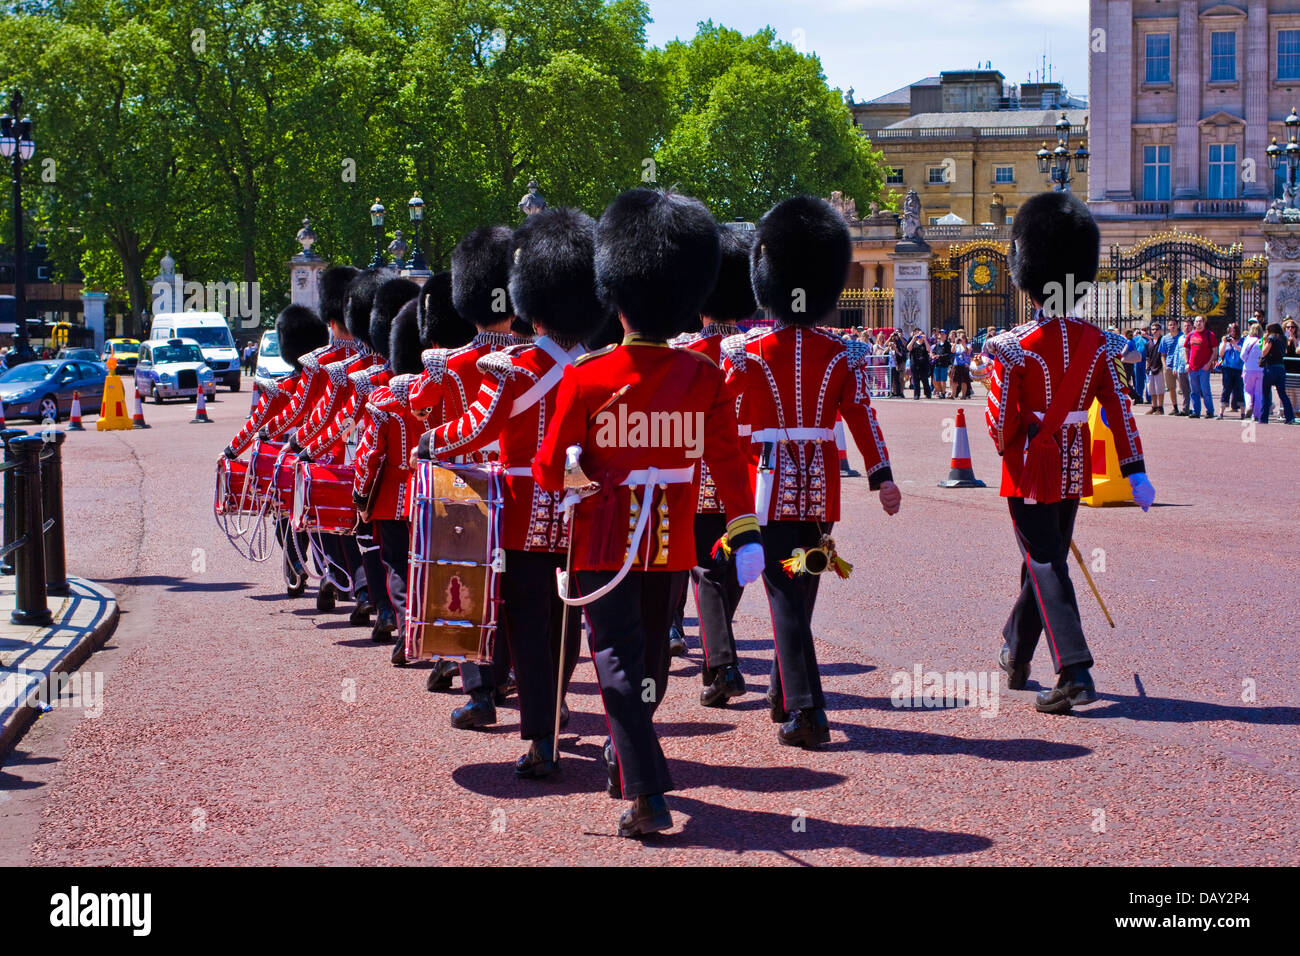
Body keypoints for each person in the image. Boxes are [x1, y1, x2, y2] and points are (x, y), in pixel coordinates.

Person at [533, 188, 765, 838]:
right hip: (670, 536)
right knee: (650, 662)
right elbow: (727, 463)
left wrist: (594, 474)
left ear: (619, 295)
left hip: (604, 538)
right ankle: (634, 760)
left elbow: (553, 470)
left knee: (618, 657)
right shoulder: (702, 376)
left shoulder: (586, 375)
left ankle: (645, 789)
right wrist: (744, 529)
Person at [423, 207, 605, 777]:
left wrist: (431, 442)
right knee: (568, 616)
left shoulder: (514, 368)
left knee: (528, 622)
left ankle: (542, 740)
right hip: (581, 511)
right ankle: (556, 709)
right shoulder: (597, 367)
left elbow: (476, 429)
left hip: (524, 512)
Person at [722, 196, 901, 748]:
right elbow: (862, 417)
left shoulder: (747, 352)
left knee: (784, 595)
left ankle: (807, 710)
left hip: (770, 489)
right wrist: (881, 476)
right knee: (801, 590)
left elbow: (723, 421)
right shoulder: (842, 353)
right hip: (821, 490)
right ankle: (782, 690)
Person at [982, 191, 1153, 715]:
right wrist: (1136, 471)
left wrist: (1022, 441)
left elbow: (997, 425)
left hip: (1030, 469)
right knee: (1045, 561)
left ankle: (1075, 669)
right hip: (1075, 467)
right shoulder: (1098, 343)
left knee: (1044, 561)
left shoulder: (1013, 345)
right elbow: (1119, 412)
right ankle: (1016, 650)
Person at [410, 227, 522, 727]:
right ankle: (508, 675)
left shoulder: (449, 363)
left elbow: (418, 407)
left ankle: (479, 695)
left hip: (463, 485)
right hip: (518, 485)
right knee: (513, 587)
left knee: (462, 586)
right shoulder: (530, 359)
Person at [670, 225, 757, 709]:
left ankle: (723, 665)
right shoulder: (758, 351)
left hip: (700, 479)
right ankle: (719, 656)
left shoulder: (685, 354)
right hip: (751, 481)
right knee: (726, 571)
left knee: (705, 570)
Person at [257, 265, 371, 621]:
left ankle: (331, 577)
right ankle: (364, 587)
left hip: (324, 454)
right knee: (362, 530)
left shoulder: (318, 363)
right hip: (370, 456)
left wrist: (288, 441)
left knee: (321, 523)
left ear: (331, 320)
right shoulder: (375, 360)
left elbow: (310, 413)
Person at [223, 304, 329, 590]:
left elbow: (256, 424)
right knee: (319, 522)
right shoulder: (330, 385)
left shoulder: (283, 388)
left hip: (286, 465)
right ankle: (327, 573)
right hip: (323, 461)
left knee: (285, 520)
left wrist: (231, 451)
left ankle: (295, 566)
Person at [353, 300, 425, 668]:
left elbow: (368, 455)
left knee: (398, 565)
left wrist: (361, 497)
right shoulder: (441, 390)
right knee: (432, 565)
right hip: (437, 496)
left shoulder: (384, 400)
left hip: (396, 500)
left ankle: (406, 629)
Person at [1259, 321, 1297, 424]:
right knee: (1282, 394)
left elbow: (1264, 352)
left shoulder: (1271, 338)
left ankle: (1263, 418)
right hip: (1281, 367)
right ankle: (1290, 417)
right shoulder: (1283, 339)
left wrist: (1264, 341)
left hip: (1270, 367)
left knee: (1265, 394)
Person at [1183, 315, 1217, 418]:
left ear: (1204, 323)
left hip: (1204, 368)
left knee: (1205, 390)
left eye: (1200, 321)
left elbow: (1215, 351)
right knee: (1194, 391)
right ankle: (1196, 411)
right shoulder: (1191, 335)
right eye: (1196, 322)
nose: (1198, 323)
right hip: (1192, 367)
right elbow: (1186, 349)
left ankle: (1210, 411)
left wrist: (1209, 364)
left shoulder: (1209, 334)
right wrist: (1187, 363)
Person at [1217, 322, 1245, 419]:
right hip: (1227, 368)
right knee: (1226, 389)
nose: (1232, 333)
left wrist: (1235, 345)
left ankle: (1242, 413)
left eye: (1234, 331)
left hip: (1238, 368)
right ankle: (1221, 413)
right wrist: (1225, 343)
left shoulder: (1242, 341)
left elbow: (1243, 352)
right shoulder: (1226, 341)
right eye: (1231, 331)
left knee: (1239, 390)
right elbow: (1221, 354)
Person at [1241, 320, 1265, 420]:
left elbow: (1242, 355)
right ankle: (1256, 415)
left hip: (1248, 368)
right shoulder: (1262, 341)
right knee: (1258, 392)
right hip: (1260, 369)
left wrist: (1247, 359)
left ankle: (1249, 406)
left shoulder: (1248, 340)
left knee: (1248, 390)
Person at [1159, 319, 1183, 415]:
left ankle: (1187, 407)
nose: (1172, 326)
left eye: (1174, 325)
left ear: (1177, 326)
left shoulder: (1182, 336)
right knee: (1171, 388)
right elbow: (1162, 354)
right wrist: (1164, 365)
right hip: (1169, 365)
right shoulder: (1165, 338)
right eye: (1170, 325)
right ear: (1168, 327)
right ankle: (1175, 407)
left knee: (1185, 388)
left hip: (1180, 365)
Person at [1145, 321, 1166, 414]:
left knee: (1159, 389)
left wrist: (1163, 367)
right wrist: (1147, 367)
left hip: (1159, 367)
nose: (1154, 331)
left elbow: (1163, 354)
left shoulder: (1162, 341)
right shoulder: (1149, 343)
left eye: (1156, 329)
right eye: (1152, 329)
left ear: (1160, 330)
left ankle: (1160, 408)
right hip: (1150, 368)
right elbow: (1147, 357)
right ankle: (1154, 406)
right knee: (1152, 389)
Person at [1173, 318, 1193, 415]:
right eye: (1185, 326)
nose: (1187, 328)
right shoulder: (1180, 339)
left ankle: (1194, 409)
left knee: (1193, 389)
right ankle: (1185, 409)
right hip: (1181, 367)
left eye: (1189, 326)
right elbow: (1177, 352)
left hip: (1191, 367)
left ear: (1192, 327)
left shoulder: (1194, 337)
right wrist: (1175, 366)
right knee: (1184, 390)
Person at [908, 329, 932, 398]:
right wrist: (913, 339)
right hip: (915, 364)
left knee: (925, 379)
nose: (920, 336)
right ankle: (916, 394)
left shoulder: (925, 343)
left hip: (924, 364)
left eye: (921, 334)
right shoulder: (914, 343)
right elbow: (908, 348)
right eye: (919, 334)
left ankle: (927, 393)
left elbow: (929, 349)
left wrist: (925, 340)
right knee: (915, 380)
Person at [950, 329, 973, 399]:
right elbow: (952, 351)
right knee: (954, 380)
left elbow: (966, 351)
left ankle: (963, 395)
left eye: (962, 338)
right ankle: (953, 395)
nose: (961, 339)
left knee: (964, 381)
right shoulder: (957, 345)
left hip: (964, 364)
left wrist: (963, 343)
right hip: (956, 364)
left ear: (965, 339)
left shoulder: (968, 345)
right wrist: (955, 343)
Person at [931, 328, 952, 398]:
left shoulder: (947, 344)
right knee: (936, 379)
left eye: (943, 334)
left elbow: (948, 354)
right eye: (940, 334)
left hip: (944, 364)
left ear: (946, 335)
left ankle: (943, 392)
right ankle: (939, 391)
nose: (941, 335)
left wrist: (939, 356)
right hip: (937, 363)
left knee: (943, 379)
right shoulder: (937, 344)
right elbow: (934, 351)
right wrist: (933, 355)